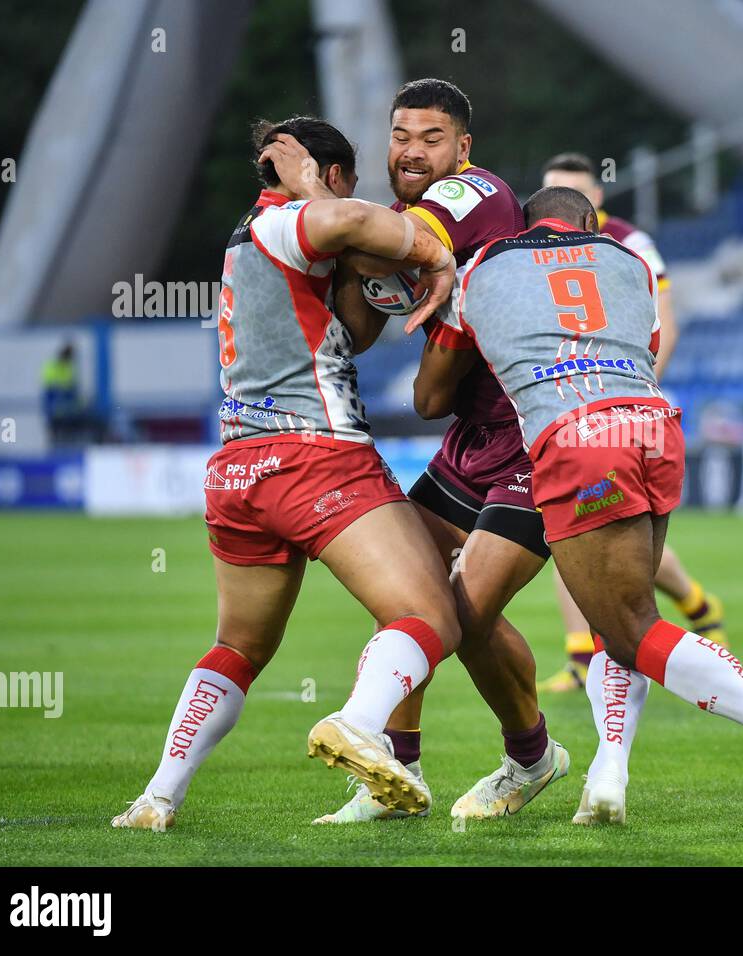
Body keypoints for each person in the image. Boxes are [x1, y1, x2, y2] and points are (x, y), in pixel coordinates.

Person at [418, 185, 743, 824]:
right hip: (653, 428)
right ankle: (607, 775)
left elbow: (430, 396)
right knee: (620, 626)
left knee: (631, 629)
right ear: (591, 225)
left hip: (577, 438)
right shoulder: (629, 263)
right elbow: (642, 347)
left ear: (527, 225)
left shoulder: (485, 265)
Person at [112, 115, 462, 830]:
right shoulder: (290, 222)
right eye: (347, 181)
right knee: (430, 615)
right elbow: (351, 221)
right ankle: (361, 727)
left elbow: (351, 331)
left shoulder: (249, 242)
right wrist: (428, 251)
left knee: (239, 646)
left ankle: (158, 796)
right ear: (327, 175)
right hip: (315, 457)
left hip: (240, 469)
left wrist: (371, 281)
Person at [266, 78, 569, 823]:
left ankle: (531, 759)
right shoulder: (391, 221)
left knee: (459, 610)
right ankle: (396, 780)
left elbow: (387, 261)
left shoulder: (475, 193)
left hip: (536, 431)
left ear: (462, 149)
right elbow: (363, 322)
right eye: (401, 135)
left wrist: (312, 198)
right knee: (408, 600)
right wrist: (350, 254)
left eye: (430, 137)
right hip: (474, 436)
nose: (411, 150)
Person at [537, 152, 728, 695]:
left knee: (616, 531)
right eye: (554, 193)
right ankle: (586, 657)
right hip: (566, 410)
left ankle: (691, 607)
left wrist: (634, 392)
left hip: (623, 408)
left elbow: (663, 321)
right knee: (573, 528)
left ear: (596, 198)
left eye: (575, 193)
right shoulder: (531, 250)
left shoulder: (631, 244)